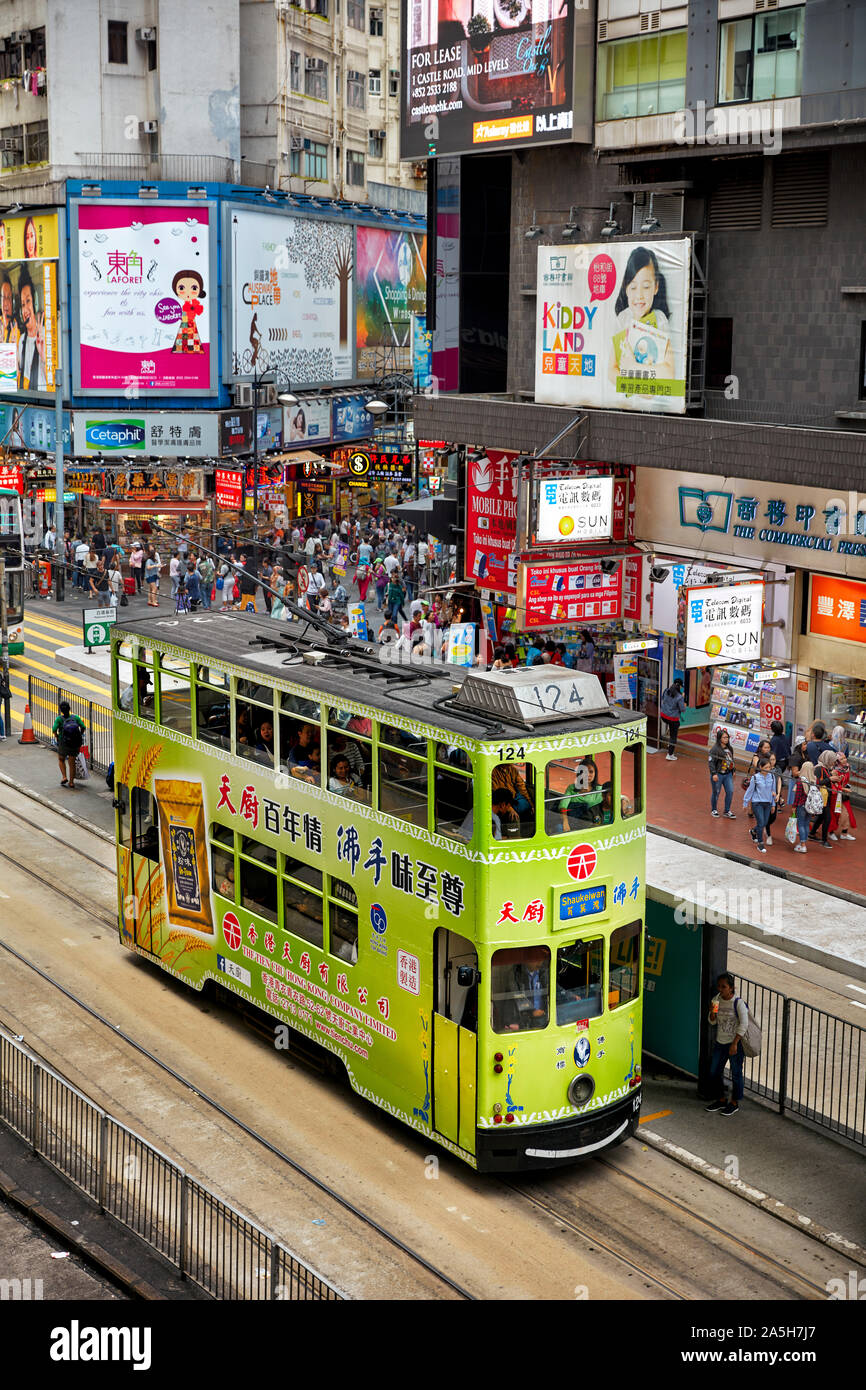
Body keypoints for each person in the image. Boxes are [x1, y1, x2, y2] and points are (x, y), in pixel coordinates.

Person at [607, 245, 675, 388]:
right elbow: (611, 371)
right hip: (627, 400)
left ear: (656, 287)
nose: (639, 296)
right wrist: (634, 387)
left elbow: (669, 373)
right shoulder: (623, 319)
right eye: (633, 287)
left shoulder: (659, 319)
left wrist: (634, 367)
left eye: (646, 287)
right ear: (625, 288)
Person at [705, 972, 748, 1117]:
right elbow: (712, 1021)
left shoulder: (738, 1003)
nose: (720, 989)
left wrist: (735, 1043)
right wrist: (711, 1014)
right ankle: (721, 1099)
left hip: (734, 1043)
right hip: (720, 1042)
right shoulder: (716, 1000)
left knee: (736, 1073)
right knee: (714, 1071)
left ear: (731, 988)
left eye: (724, 987)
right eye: (719, 986)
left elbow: (744, 1024)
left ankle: (734, 1102)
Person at [557, 757, 611, 832]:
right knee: (559, 828)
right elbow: (563, 806)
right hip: (573, 821)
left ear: (595, 774)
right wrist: (565, 822)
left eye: (591, 772)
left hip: (591, 823)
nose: (588, 775)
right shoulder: (571, 788)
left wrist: (624, 799)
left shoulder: (600, 789)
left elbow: (613, 795)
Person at [743, 756, 776, 852]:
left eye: (769, 767)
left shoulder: (772, 777)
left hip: (768, 803)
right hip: (757, 803)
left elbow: (773, 790)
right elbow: (750, 790)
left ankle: (753, 831)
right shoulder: (755, 778)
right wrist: (745, 802)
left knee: (765, 822)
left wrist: (773, 804)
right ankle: (760, 844)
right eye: (765, 767)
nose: (768, 770)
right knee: (761, 822)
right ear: (760, 767)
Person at [52, 701, 86, 789]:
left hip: (63, 743)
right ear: (69, 709)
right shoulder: (75, 718)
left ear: (61, 710)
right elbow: (83, 727)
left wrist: (57, 737)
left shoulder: (59, 719)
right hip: (75, 743)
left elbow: (54, 729)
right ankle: (71, 782)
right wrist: (80, 735)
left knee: (61, 759)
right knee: (72, 763)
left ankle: (64, 777)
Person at [708, 727, 736, 818]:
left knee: (730, 791)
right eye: (724, 737)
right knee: (716, 792)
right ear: (719, 738)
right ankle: (714, 809)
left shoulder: (730, 748)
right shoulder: (715, 749)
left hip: (728, 774)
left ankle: (727, 810)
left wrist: (733, 770)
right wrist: (713, 773)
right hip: (718, 774)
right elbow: (711, 762)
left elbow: (731, 761)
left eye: (727, 737)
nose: (726, 739)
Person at [660, 679, 685, 759]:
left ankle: (670, 744)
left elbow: (663, 698)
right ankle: (670, 754)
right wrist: (683, 700)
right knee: (673, 736)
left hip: (663, 716)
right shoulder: (679, 697)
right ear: (680, 686)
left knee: (672, 728)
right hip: (672, 719)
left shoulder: (666, 691)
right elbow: (682, 709)